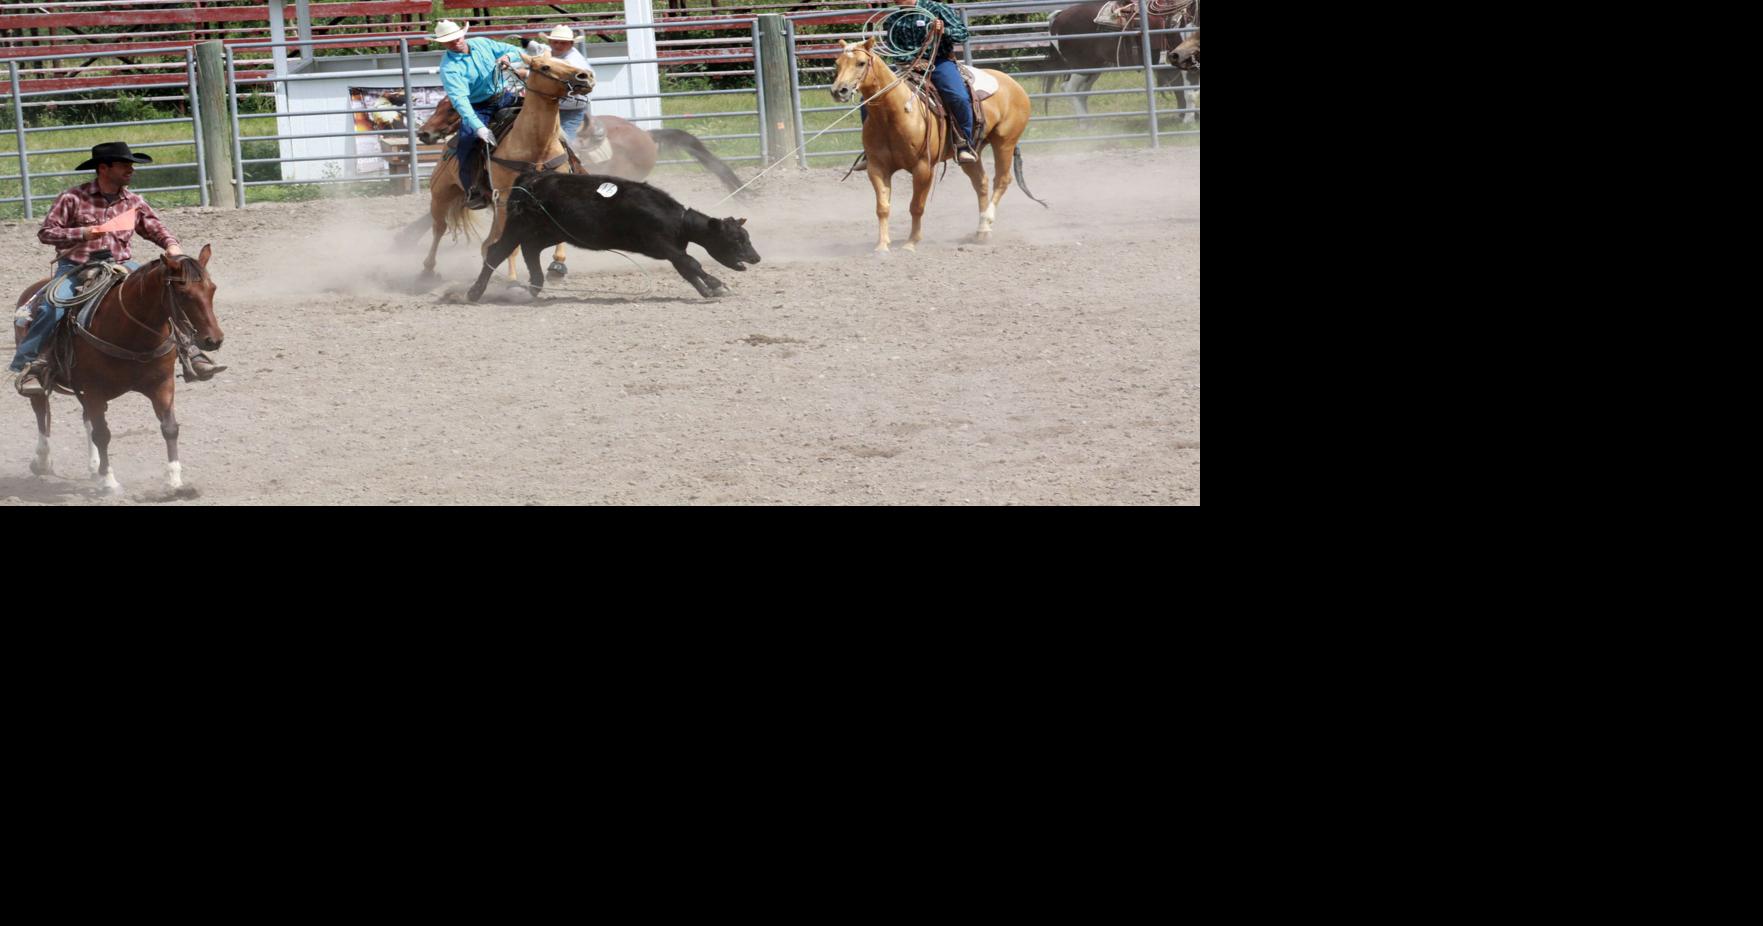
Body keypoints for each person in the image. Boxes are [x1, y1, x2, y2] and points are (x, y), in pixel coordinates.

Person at [10, 141, 224, 397]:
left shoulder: (133, 202)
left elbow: (155, 228)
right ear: (104, 168)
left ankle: (191, 351)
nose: (130, 170)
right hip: (77, 266)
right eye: (124, 165)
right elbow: (47, 233)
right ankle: (34, 364)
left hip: (120, 266)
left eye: (131, 165)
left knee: (164, 293)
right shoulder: (73, 198)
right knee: (53, 306)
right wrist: (83, 233)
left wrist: (172, 245)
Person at [855, 0, 978, 171]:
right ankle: (872, 150)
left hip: (938, 62)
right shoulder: (894, 17)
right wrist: (906, 62)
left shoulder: (936, 9)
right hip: (907, 65)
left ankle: (964, 144)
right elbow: (894, 46)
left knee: (958, 96)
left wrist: (944, 31)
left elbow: (963, 34)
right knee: (869, 99)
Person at [434, 19, 522, 208]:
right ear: (444, 44)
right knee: (466, 144)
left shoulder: (482, 43)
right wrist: (479, 126)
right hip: (477, 107)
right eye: (449, 41)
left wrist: (508, 57)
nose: (455, 42)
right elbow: (461, 101)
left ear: (462, 34)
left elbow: (518, 52)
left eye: (457, 37)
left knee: (537, 114)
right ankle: (473, 189)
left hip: (503, 96)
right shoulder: (450, 68)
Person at [518, 25, 605, 154]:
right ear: (550, 42)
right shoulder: (555, 52)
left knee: (564, 145)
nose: (558, 45)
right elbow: (544, 50)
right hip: (555, 105)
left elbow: (554, 76)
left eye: (562, 43)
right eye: (555, 42)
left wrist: (526, 74)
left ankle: (572, 164)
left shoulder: (574, 63)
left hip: (570, 110)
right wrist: (529, 44)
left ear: (571, 44)